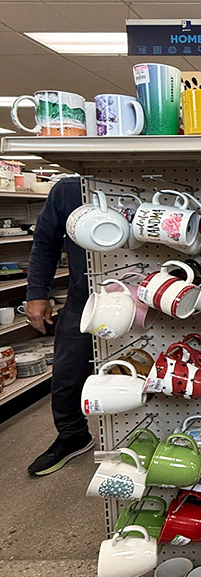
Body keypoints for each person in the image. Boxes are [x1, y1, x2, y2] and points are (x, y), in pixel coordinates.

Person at [25, 176, 94, 476]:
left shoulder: (146, 177)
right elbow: (45, 242)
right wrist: (37, 293)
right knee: (67, 374)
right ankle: (73, 435)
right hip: (85, 295)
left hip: (145, 294)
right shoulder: (68, 189)